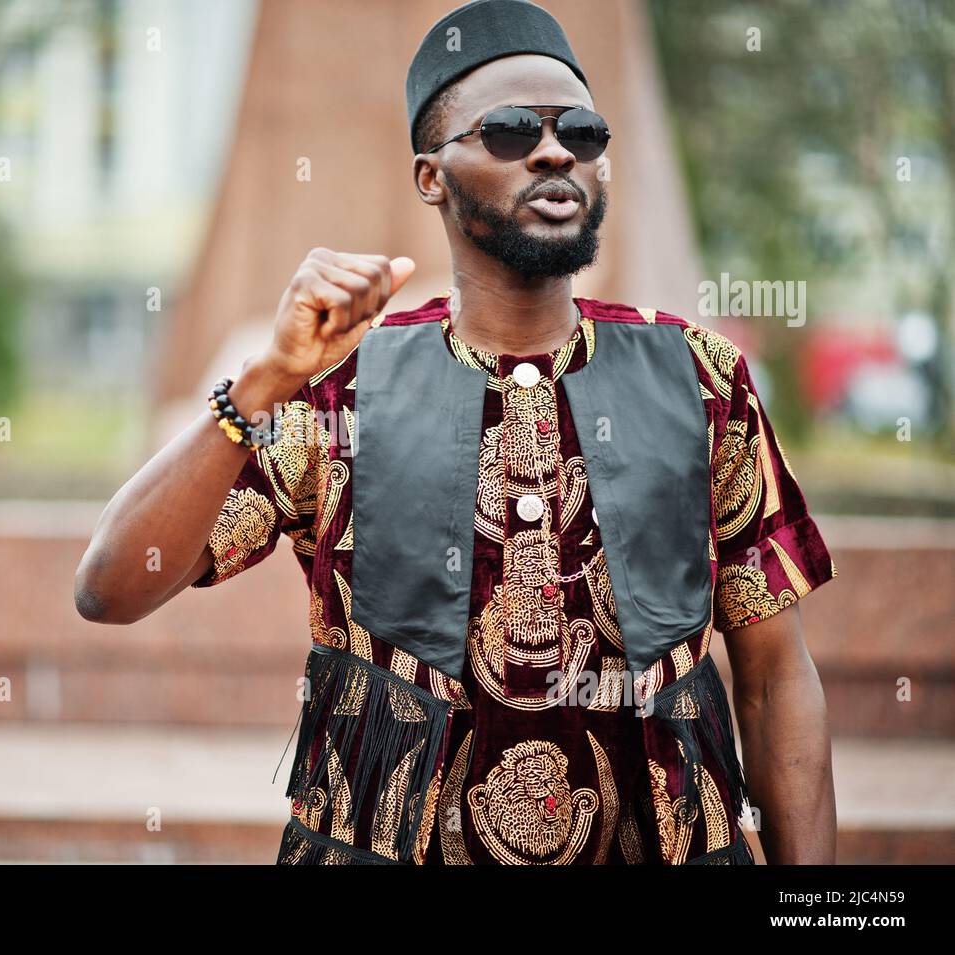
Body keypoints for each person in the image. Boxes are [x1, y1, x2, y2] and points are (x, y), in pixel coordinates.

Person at [74, 0, 838, 865]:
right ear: (431, 175)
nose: (554, 150)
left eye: (581, 131)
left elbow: (775, 681)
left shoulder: (703, 379)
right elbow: (110, 588)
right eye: (511, 130)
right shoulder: (335, 389)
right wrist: (260, 385)